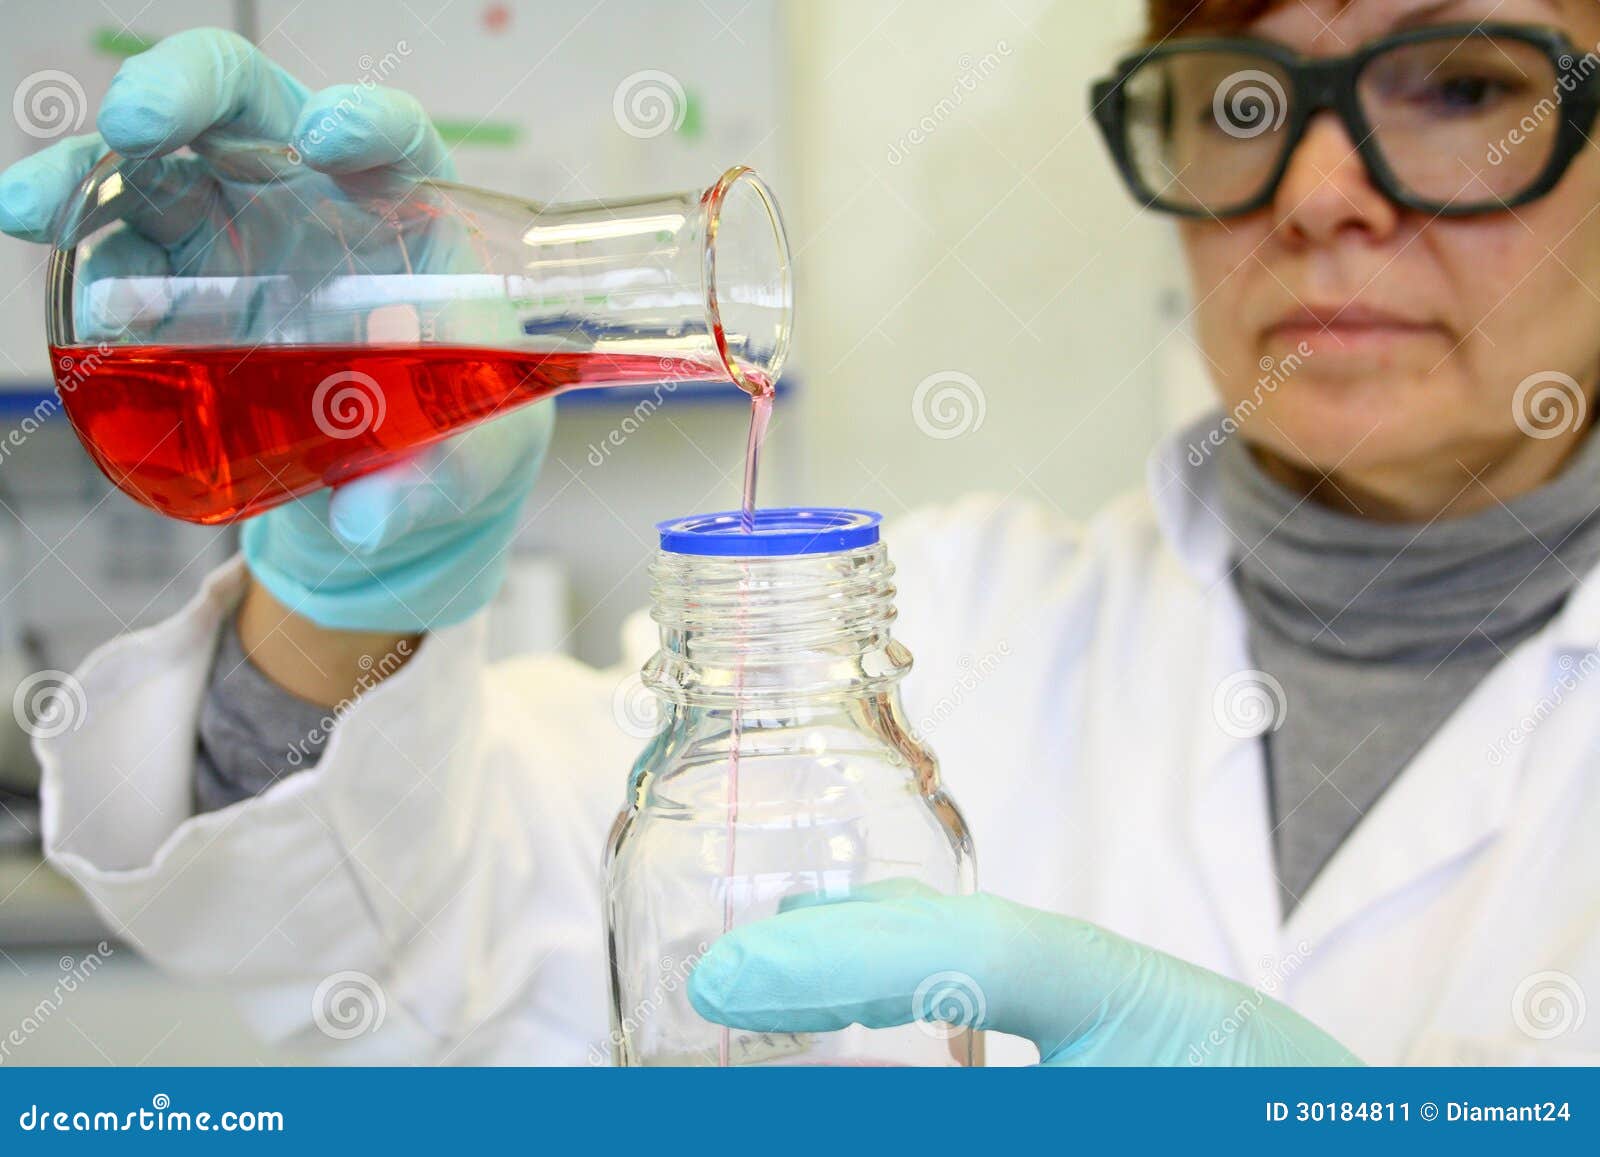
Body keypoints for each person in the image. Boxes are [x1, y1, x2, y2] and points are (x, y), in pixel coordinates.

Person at [3, 0, 1598, 1066]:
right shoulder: (938, 626)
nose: (1321, 192)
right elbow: (410, 939)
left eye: (1466, 88)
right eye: (1245, 101)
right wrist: (353, 582)